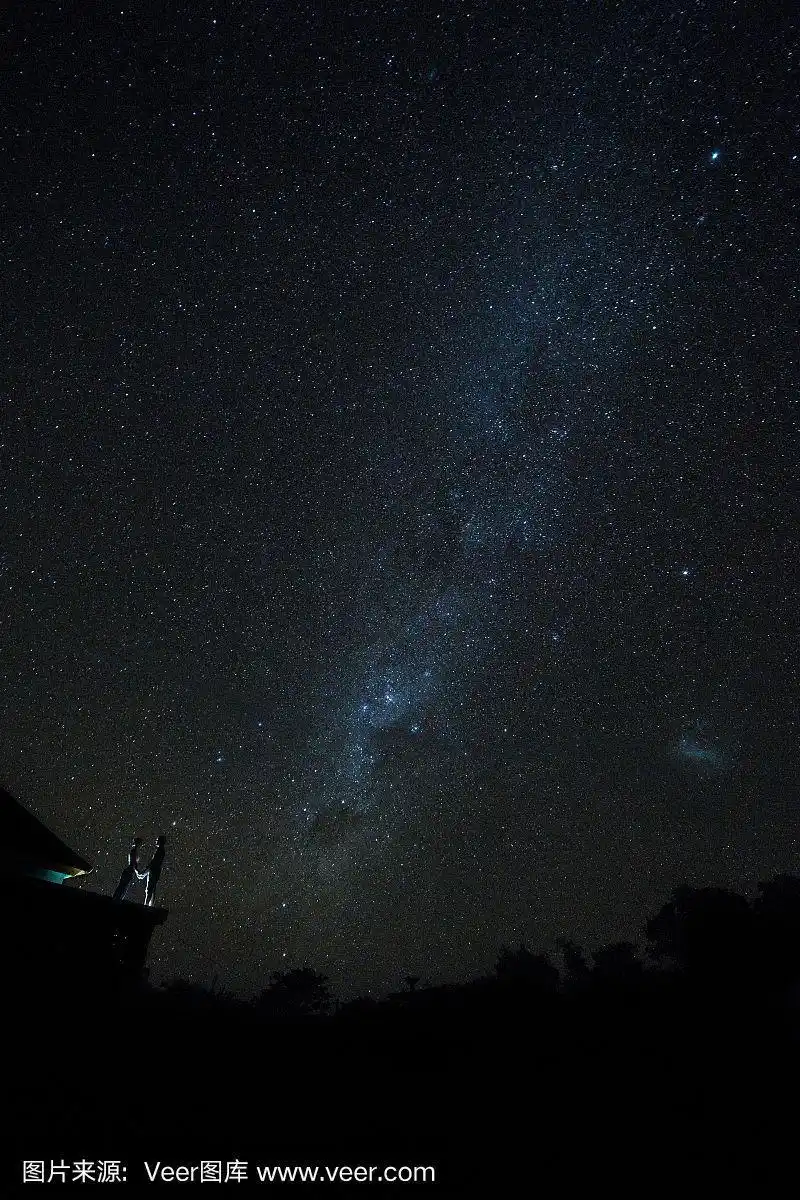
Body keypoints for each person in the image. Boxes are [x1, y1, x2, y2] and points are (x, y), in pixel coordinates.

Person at [112, 837, 142, 901]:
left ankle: (116, 900)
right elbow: (133, 863)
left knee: (122, 887)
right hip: (129, 872)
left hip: (129, 871)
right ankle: (116, 900)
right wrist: (138, 872)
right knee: (123, 887)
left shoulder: (134, 850)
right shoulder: (134, 851)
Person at [142, 834, 166, 907]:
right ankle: (150, 905)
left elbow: (154, 862)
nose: (156, 841)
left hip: (154, 870)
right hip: (156, 870)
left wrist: (146, 870)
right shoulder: (161, 850)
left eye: (157, 840)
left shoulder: (159, 850)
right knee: (152, 889)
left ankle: (146, 906)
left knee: (150, 889)